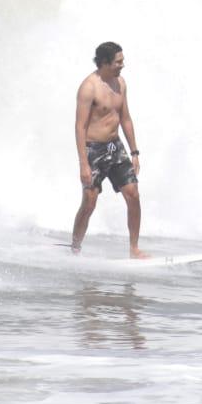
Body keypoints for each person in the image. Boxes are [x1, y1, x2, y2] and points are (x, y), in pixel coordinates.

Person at [70, 41, 147, 258]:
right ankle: (75, 249)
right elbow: (80, 127)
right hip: (93, 149)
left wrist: (134, 152)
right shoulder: (88, 87)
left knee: (133, 194)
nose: (122, 65)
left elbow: (125, 118)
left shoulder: (120, 83)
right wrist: (84, 164)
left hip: (115, 146)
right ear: (105, 63)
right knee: (89, 202)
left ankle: (134, 249)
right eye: (118, 62)